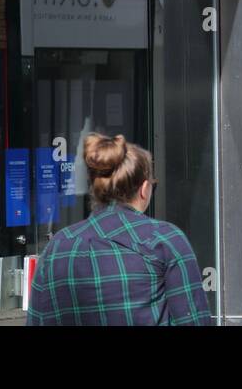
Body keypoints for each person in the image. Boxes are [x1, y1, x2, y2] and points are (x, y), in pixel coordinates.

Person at [27, 134, 212, 326]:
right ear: (144, 189)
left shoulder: (57, 246)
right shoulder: (163, 239)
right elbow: (194, 320)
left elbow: (38, 320)